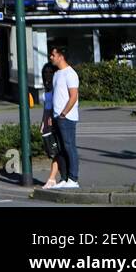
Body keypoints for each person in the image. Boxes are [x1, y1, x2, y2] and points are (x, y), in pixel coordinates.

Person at [49, 44, 80, 188]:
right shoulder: (56, 74)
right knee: (60, 149)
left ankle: (73, 179)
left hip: (66, 118)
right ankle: (64, 178)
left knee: (69, 147)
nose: (51, 58)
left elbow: (73, 96)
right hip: (57, 117)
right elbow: (56, 96)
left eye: (53, 55)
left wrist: (63, 113)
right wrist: (52, 114)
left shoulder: (70, 73)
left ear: (60, 56)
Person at [39, 62, 61, 189]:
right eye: (45, 72)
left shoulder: (56, 87)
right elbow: (46, 108)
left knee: (55, 151)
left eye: (50, 72)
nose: (47, 75)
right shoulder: (47, 87)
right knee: (52, 150)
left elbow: (55, 105)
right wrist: (43, 122)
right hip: (47, 121)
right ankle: (60, 176)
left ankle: (52, 178)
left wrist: (52, 119)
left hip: (54, 120)